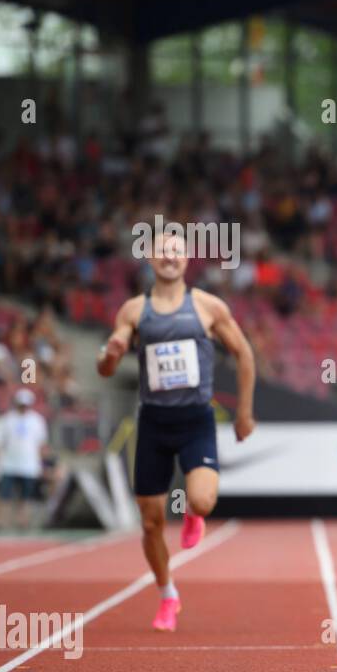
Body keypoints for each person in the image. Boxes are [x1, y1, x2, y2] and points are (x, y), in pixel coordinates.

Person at [97, 232, 257, 631]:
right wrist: (110, 355)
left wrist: (245, 413)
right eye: (163, 252)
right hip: (152, 422)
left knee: (202, 500)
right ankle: (168, 594)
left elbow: (244, 353)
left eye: (177, 252)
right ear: (150, 258)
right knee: (151, 523)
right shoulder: (134, 311)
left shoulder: (207, 307)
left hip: (195, 419)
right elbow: (106, 367)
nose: (170, 258)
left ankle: (192, 512)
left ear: (187, 259)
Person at [0, 388, 48, 530]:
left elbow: (41, 444)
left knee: (26, 497)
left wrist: (41, 464)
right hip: (9, 463)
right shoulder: (8, 419)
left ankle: (23, 522)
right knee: (5, 496)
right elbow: (1, 442)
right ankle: (3, 523)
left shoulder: (37, 420)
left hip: (29, 464)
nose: (23, 407)